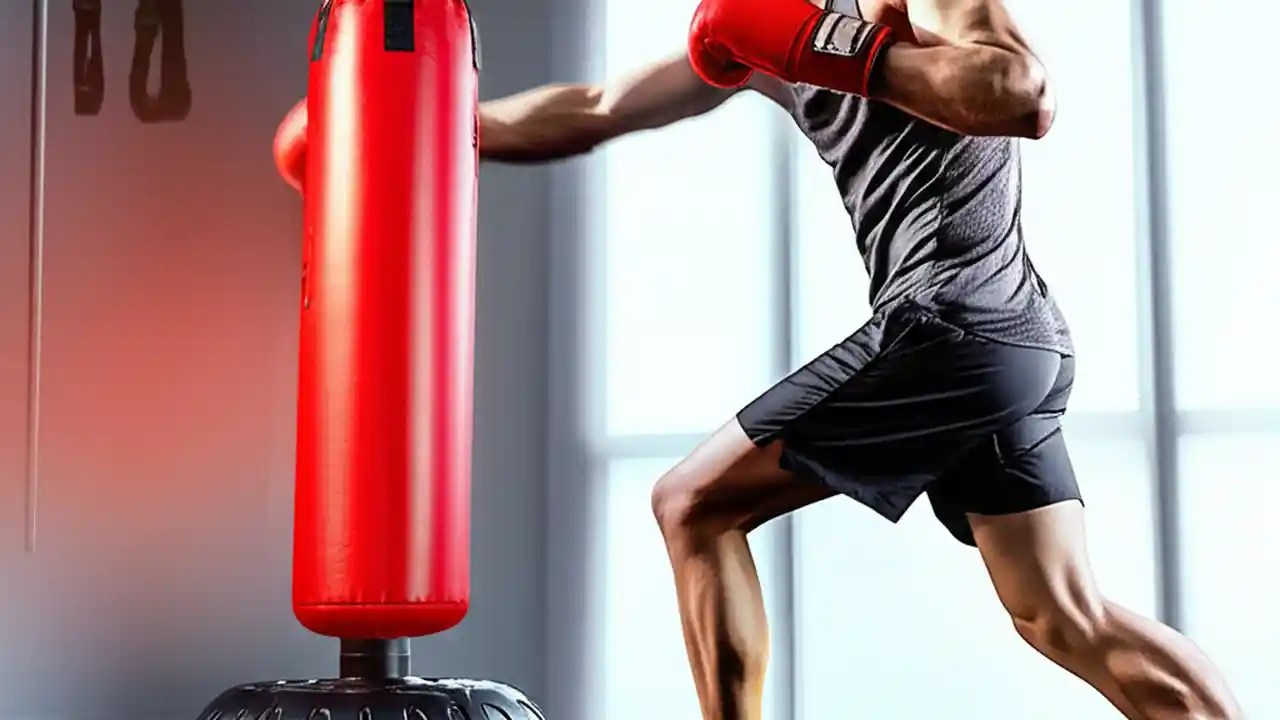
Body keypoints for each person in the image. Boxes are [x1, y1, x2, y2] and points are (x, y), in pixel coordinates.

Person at [275, 0, 1243, 717]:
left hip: (953, 322)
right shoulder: (756, 22)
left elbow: (1020, 94)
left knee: (690, 504)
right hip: (999, 341)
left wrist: (834, 47)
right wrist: (426, 124)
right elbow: (605, 103)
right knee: (1063, 617)